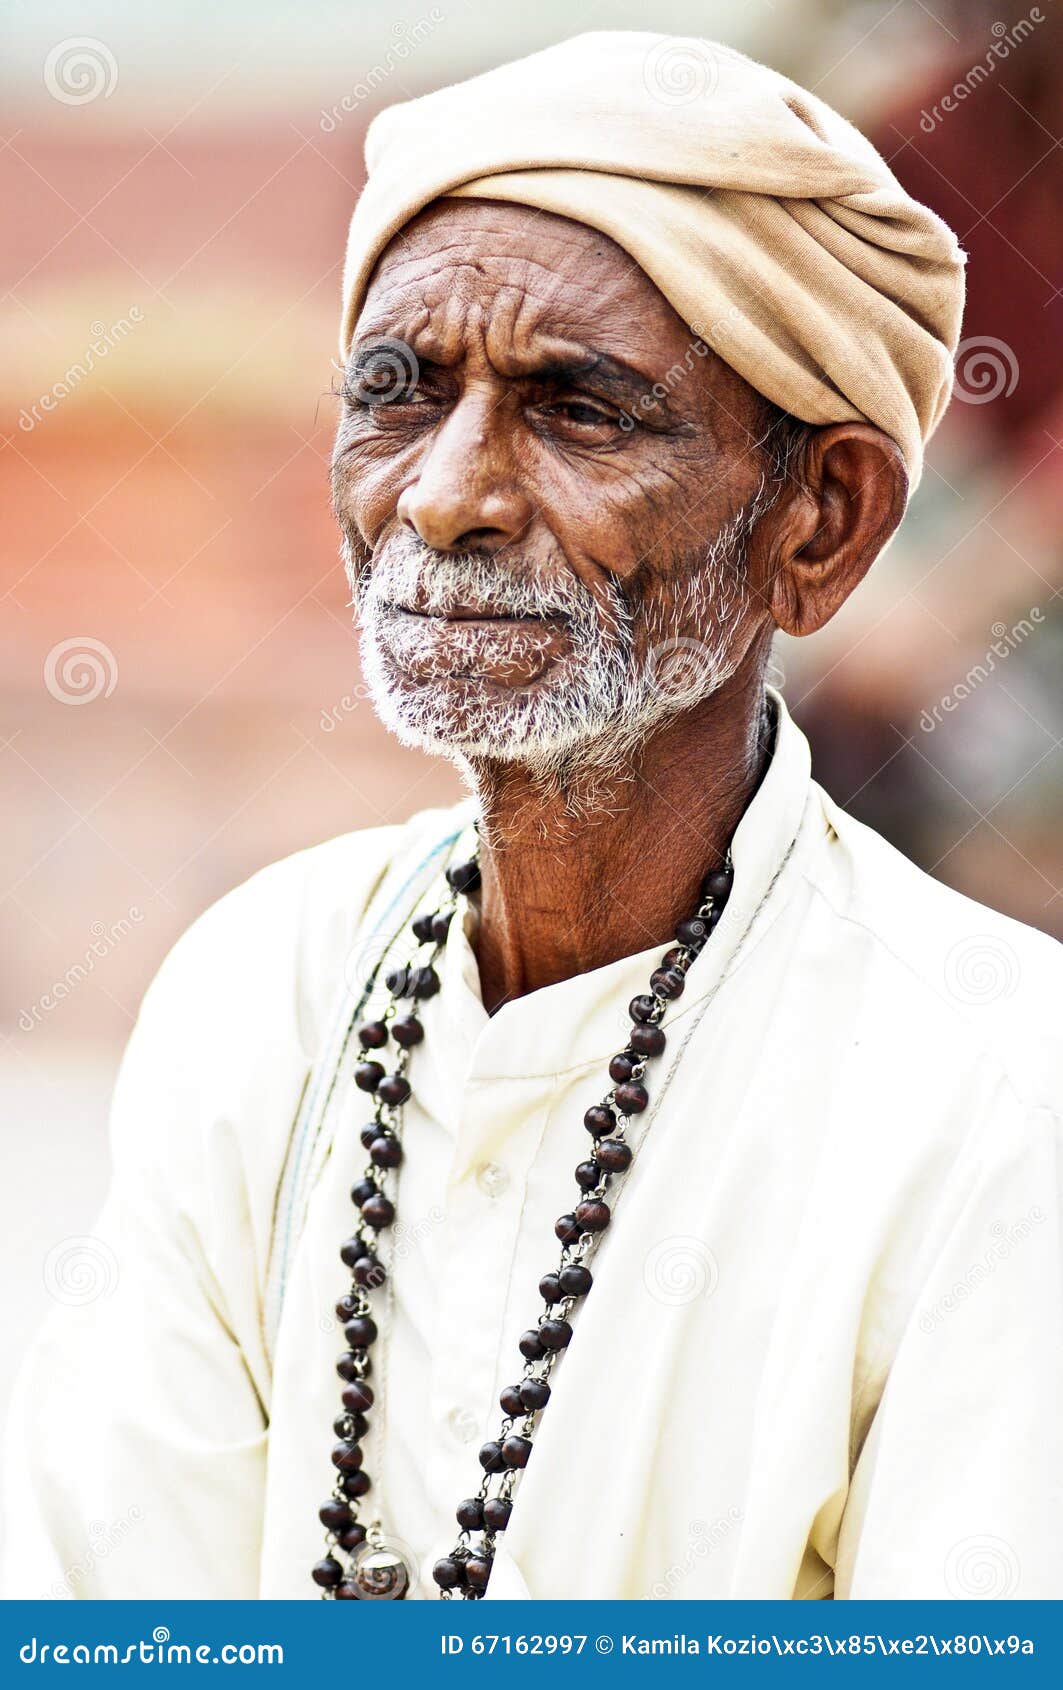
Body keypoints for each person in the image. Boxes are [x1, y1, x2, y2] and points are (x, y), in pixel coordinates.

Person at [6, 32, 1060, 1602]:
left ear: (820, 522)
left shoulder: (998, 1094)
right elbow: (118, 1621)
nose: (443, 494)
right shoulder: (258, 991)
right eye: (395, 393)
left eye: (577, 411)